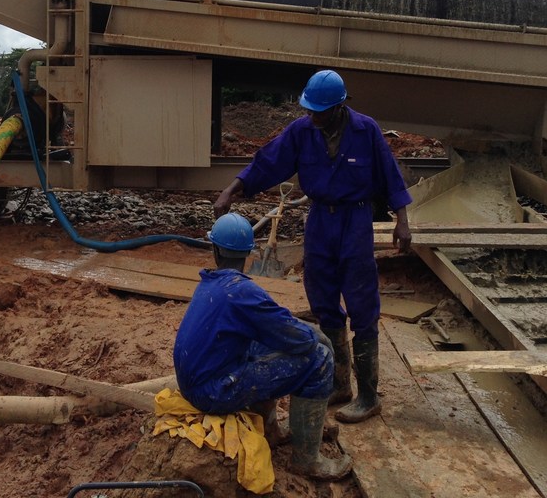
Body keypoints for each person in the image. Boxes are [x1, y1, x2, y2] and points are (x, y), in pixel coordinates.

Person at [213, 69, 412, 424]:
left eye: (319, 110)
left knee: (362, 303)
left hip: (355, 221)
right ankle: (340, 384)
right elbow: (268, 161)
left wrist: (403, 220)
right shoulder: (302, 131)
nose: (312, 115)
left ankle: (368, 395)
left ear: (338, 107)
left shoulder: (366, 131)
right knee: (322, 298)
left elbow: (390, 175)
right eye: (309, 109)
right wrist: (232, 188)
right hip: (320, 220)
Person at [173, 213, 354, 481]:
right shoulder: (243, 292)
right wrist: (316, 334)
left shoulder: (211, 283)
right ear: (248, 253)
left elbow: (273, 326)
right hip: (213, 392)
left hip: (197, 382)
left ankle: (271, 431)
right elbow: (298, 339)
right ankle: (307, 460)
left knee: (261, 343)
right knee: (320, 359)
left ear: (214, 250)